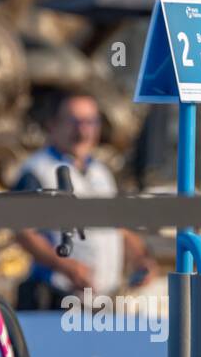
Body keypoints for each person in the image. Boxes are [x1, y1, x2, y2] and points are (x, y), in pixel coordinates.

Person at [13, 90, 158, 310]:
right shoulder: (37, 170)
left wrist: (141, 260)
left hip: (102, 301)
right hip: (54, 299)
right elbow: (22, 231)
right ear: (53, 125)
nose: (83, 130)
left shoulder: (102, 172)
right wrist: (65, 266)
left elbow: (118, 227)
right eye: (74, 121)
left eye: (90, 122)